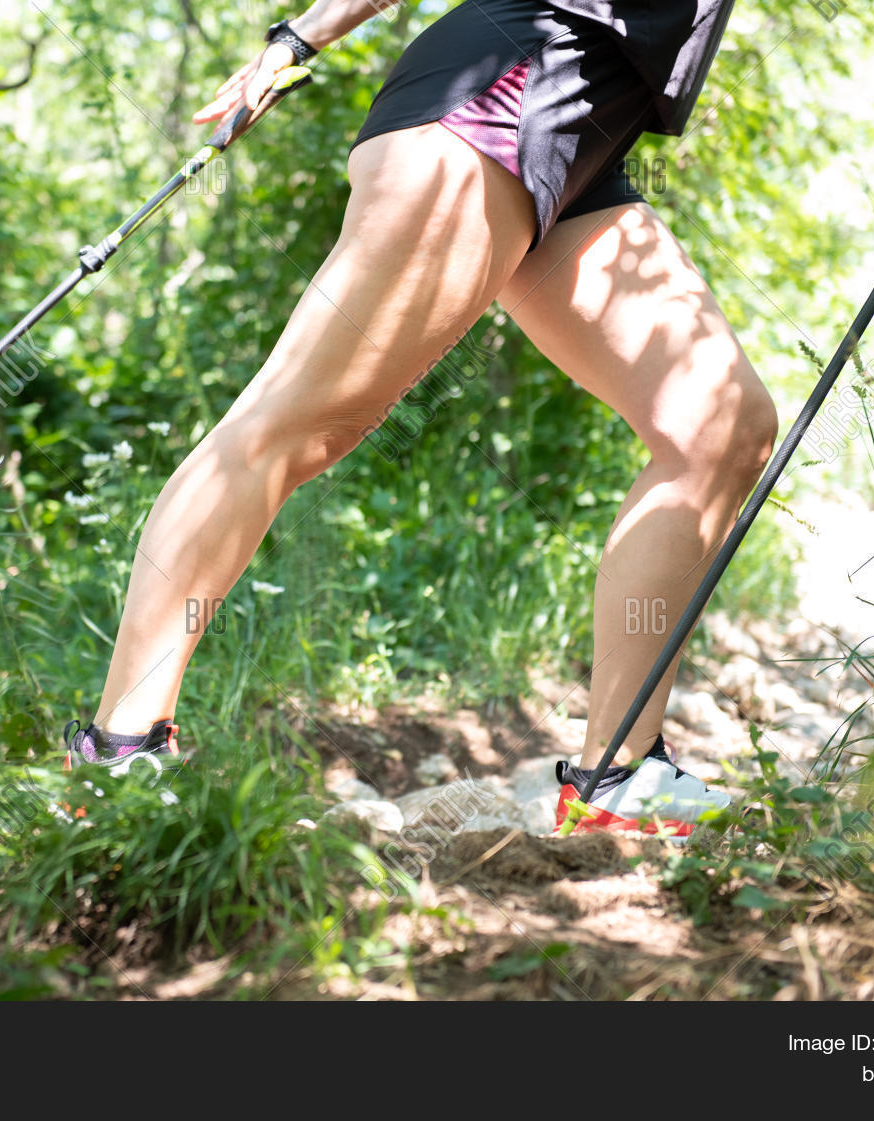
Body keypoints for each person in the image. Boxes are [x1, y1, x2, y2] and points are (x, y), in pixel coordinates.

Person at [62, 0, 772, 839]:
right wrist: (299, 37)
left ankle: (617, 776)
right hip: (504, 91)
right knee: (294, 423)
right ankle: (119, 753)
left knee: (720, 430)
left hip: (581, 134)